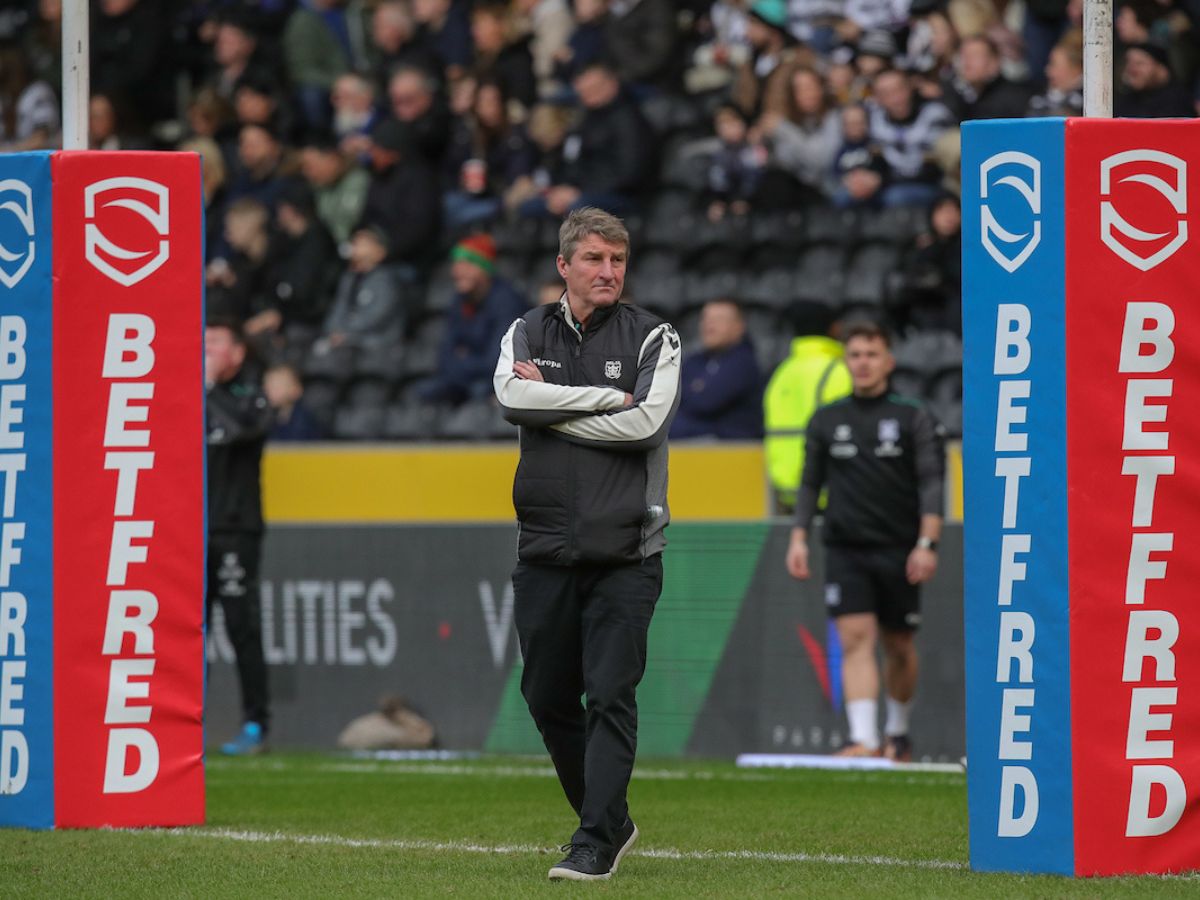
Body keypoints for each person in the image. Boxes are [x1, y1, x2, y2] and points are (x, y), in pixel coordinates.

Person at [493, 207, 681, 881]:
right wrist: (607, 397)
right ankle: (612, 818)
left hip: (627, 553)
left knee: (609, 694)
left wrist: (559, 408)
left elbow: (646, 423)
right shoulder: (525, 327)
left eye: (618, 261)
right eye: (595, 260)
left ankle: (596, 840)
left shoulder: (655, 335)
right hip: (543, 548)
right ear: (563, 266)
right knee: (545, 697)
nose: (608, 272)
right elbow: (511, 398)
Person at [785, 320, 945, 761]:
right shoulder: (826, 418)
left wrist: (927, 544)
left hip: (900, 548)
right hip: (844, 548)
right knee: (854, 638)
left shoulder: (913, 416)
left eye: (872, 354)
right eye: (855, 355)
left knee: (898, 645)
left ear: (888, 362)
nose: (863, 363)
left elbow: (933, 484)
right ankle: (865, 740)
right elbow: (808, 484)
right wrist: (799, 538)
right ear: (846, 361)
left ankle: (898, 732)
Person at [205, 318, 274, 755]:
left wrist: (208, 388)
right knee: (190, 628)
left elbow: (242, 431)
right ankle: (185, 722)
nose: (206, 349)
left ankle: (255, 724)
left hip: (236, 530)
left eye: (214, 342)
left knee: (239, 625)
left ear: (237, 352)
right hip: (192, 530)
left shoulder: (252, 395)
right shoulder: (187, 395)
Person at [417, 234, 529, 404]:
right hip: (463, 380)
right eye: (456, 264)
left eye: (467, 264)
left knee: (480, 394)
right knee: (423, 393)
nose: (457, 271)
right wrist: (463, 362)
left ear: (484, 268)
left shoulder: (506, 301)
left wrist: (463, 359)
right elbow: (445, 354)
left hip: (496, 382)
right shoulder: (459, 300)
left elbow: (498, 361)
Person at [763, 301, 850, 512]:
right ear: (834, 328)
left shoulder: (781, 373)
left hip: (785, 492)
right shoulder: (839, 371)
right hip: (830, 492)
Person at [670, 299, 762, 440]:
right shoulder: (694, 360)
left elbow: (704, 402)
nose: (709, 325)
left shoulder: (743, 363)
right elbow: (672, 397)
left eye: (719, 319)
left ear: (739, 326)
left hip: (733, 451)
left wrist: (690, 393)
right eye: (705, 319)